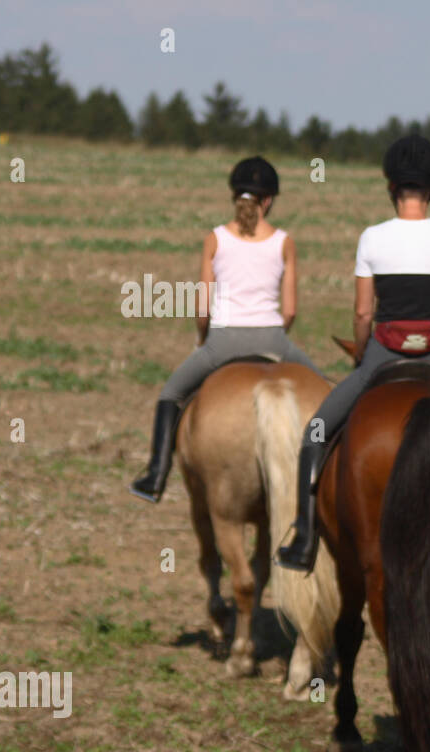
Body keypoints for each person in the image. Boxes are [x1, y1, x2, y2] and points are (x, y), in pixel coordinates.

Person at [275, 134, 430, 571]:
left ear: (391, 188)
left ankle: (304, 537)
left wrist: (365, 353)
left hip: (384, 353)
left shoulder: (372, 238)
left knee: (317, 433)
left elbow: (364, 313)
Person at [129, 157, 321, 503]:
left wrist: (204, 340)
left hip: (223, 341)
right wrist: (274, 335)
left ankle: (155, 475)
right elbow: (290, 310)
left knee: (170, 395)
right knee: (328, 395)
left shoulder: (215, 239)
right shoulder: (284, 241)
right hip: (273, 339)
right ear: (269, 200)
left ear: (236, 196)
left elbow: (203, 308)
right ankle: (321, 474)